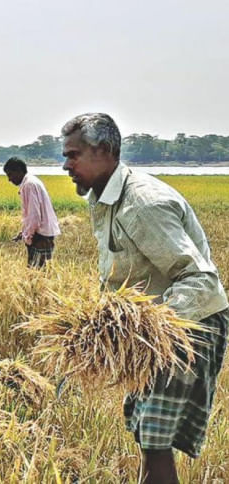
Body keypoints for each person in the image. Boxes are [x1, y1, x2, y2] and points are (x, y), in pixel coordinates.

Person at [61, 112, 228, 484]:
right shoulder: (103, 199)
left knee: (155, 435)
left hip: (190, 324)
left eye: (73, 155)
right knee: (144, 430)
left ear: (103, 151)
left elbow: (199, 279)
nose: (65, 165)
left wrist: (145, 326)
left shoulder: (143, 204)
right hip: (158, 328)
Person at [3, 156, 61, 268]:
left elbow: (34, 216)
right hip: (43, 232)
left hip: (40, 234)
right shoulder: (32, 181)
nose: (9, 179)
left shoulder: (29, 185)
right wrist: (23, 232)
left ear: (19, 170)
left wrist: (28, 236)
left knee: (36, 270)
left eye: (10, 174)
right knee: (41, 269)